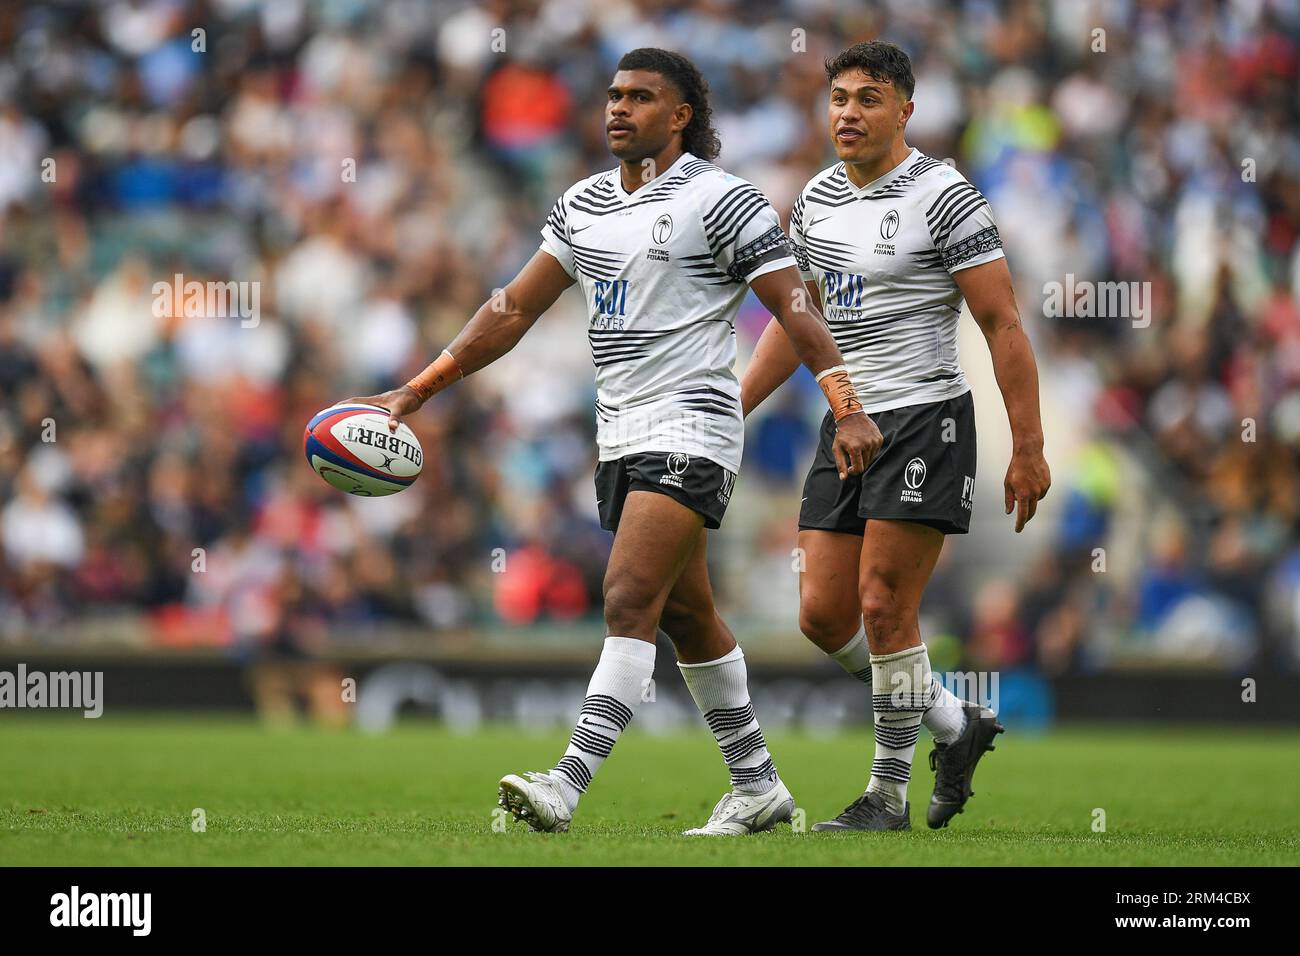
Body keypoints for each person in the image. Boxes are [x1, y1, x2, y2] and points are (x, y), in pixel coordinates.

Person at [345, 48, 881, 835]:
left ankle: (565, 782)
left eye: (640, 97)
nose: (618, 109)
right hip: (620, 431)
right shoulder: (584, 204)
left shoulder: (723, 200)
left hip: (693, 423)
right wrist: (416, 390)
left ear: (681, 115)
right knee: (688, 618)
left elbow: (796, 306)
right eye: (613, 95)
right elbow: (512, 310)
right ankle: (760, 785)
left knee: (627, 598)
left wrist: (847, 403)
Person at [741, 41, 1051, 831]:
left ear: (905, 110)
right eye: (839, 97)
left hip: (925, 419)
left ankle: (886, 795)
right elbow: (799, 319)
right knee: (821, 614)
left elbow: (1001, 323)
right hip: (847, 421)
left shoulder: (945, 197)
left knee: (885, 605)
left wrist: (1028, 446)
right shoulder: (813, 199)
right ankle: (955, 723)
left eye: (868, 97)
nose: (848, 111)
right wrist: (733, 402)